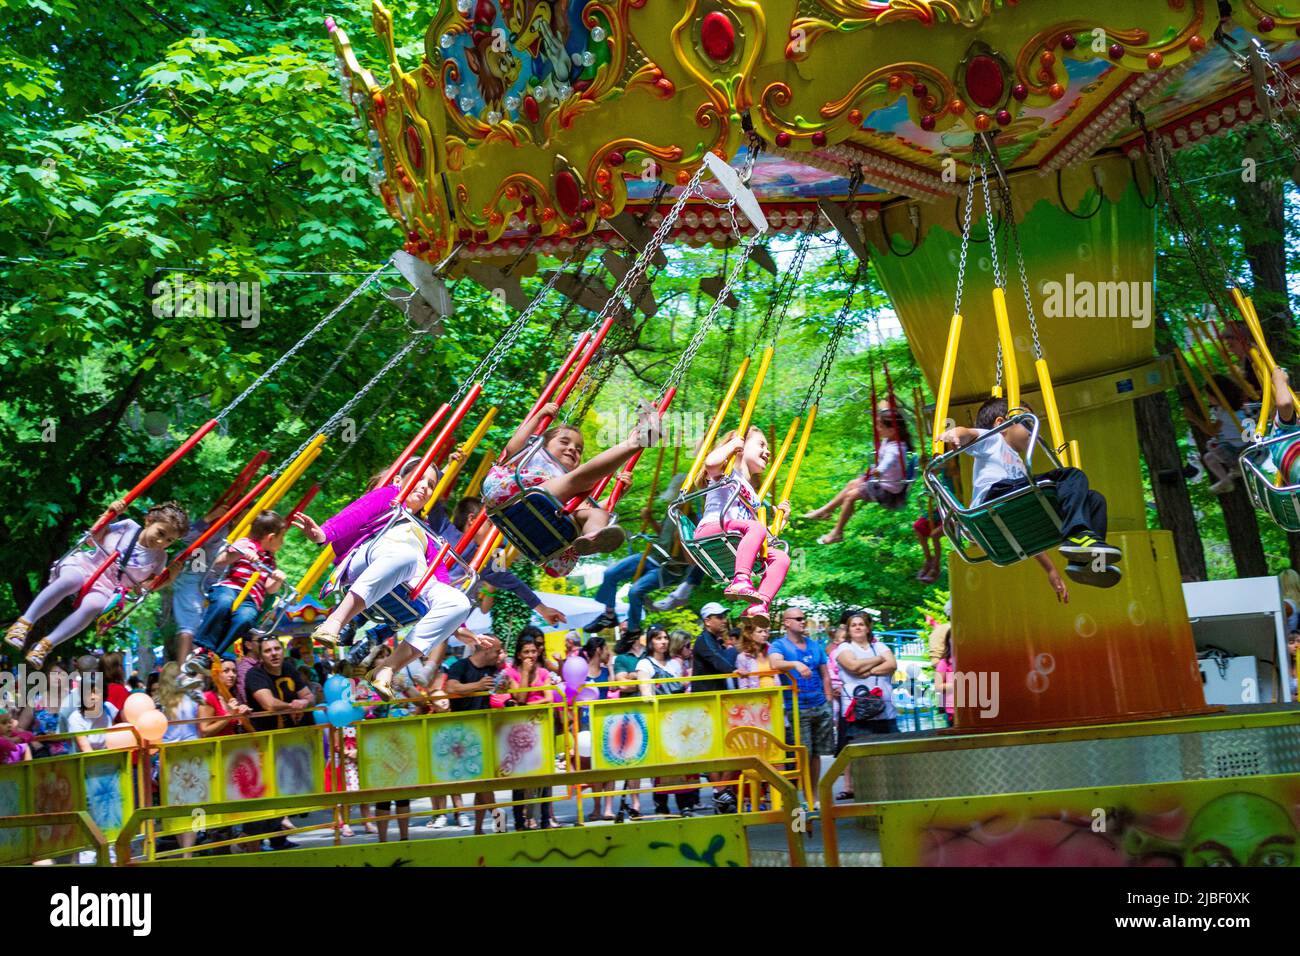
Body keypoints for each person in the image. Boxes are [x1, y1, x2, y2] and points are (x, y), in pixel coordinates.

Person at [292, 460, 486, 697]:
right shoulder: (389, 499)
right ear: (398, 480)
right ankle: (336, 621)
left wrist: (458, 625)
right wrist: (324, 533)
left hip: (407, 578)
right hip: (369, 559)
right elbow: (356, 513)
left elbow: (440, 577)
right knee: (404, 554)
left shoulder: (425, 531)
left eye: (431, 484)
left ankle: (388, 668)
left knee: (459, 602)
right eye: (419, 479)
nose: (425, 486)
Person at [482, 401, 661, 576]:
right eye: (564, 442)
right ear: (543, 443)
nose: (572, 449)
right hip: (513, 494)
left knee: (598, 513)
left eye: (578, 449)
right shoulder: (536, 455)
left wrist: (619, 494)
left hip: (550, 527)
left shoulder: (571, 482)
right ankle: (638, 440)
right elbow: (513, 447)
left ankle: (593, 538)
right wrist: (539, 415)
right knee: (580, 481)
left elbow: (586, 509)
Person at [6, 501, 189, 668]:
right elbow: (93, 537)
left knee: (94, 605)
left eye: (169, 541)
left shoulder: (159, 557)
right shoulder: (128, 527)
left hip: (107, 587)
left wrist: (168, 578)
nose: (161, 542)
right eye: (161, 533)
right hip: (88, 565)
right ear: (149, 521)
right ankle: (24, 623)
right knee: (71, 580)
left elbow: (144, 588)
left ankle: (46, 645)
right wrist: (109, 514)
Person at [938, 398, 1086, 596]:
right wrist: (955, 432)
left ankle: (1082, 540)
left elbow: (1024, 533)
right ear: (1002, 424)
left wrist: (1050, 569)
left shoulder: (1021, 466)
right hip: (991, 499)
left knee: (1065, 487)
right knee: (1063, 478)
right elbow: (969, 434)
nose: (1033, 431)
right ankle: (1077, 532)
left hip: (1007, 504)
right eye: (1026, 423)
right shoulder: (993, 439)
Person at [694, 428, 791, 625]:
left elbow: (762, 538)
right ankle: (740, 580)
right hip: (712, 529)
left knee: (781, 558)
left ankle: (758, 605)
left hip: (735, 535)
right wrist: (732, 445)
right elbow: (710, 462)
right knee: (755, 527)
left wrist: (781, 522)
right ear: (741, 448)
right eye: (761, 444)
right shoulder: (726, 470)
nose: (768, 451)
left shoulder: (754, 496)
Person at [805, 407, 914, 543]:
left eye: (880, 426)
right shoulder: (890, 440)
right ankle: (825, 511)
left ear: (892, 430)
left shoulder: (896, 449)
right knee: (851, 484)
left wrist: (878, 470)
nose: (877, 428)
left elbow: (887, 462)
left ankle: (837, 532)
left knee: (850, 497)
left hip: (888, 491)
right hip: (882, 482)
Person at [192, 510, 288, 657]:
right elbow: (220, 560)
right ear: (271, 537)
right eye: (281, 538)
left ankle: (214, 653)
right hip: (230, 587)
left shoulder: (271, 561)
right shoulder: (245, 543)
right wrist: (241, 553)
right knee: (224, 602)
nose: (282, 542)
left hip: (250, 599)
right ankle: (204, 646)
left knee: (246, 618)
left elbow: (269, 589)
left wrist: (277, 579)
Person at [768, 606, 834, 787]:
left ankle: (813, 795)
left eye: (803, 618)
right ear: (787, 623)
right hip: (797, 706)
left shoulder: (814, 644)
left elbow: (825, 673)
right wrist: (795, 663)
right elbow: (774, 663)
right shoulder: (779, 645)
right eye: (797, 618)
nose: (802, 621)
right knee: (803, 753)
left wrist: (828, 700)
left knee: (817, 754)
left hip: (820, 704)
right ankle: (804, 798)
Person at [445, 636, 504, 834]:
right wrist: (477, 686)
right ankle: (499, 824)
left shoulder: (493, 670)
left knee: (484, 784)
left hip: (484, 734)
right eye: (497, 651)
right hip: (463, 736)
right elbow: (451, 688)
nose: (499, 655)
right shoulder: (460, 666)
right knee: (483, 784)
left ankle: (481, 829)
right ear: (486, 650)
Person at [171, 503, 228, 663]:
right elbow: (187, 539)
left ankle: (197, 677)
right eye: (241, 514)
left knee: (203, 630)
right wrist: (209, 518)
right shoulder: (219, 526)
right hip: (195, 573)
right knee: (189, 625)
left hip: (214, 585)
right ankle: (183, 675)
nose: (241, 519)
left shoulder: (244, 536)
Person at [1199, 375, 1250, 494]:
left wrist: (1194, 418)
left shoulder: (1225, 413)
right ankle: (1226, 481)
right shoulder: (1237, 406)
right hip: (1246, 444)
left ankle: (1236, 467)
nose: (1208, 398)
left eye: (1209, 395)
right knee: (1209, 458)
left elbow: (1211, 431)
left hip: (1241, 450)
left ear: (1218, 395)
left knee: (1211, 445)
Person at [690, 603, 736, 694]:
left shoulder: (715, 641)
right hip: (706, 699)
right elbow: (715, 657)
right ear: (707, 621)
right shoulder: (703, 640)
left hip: (714, 696)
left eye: (724, 617)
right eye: (719, 617)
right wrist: (734, 670)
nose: (724, 621)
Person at [198, 659, 251, 736]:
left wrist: (244, 715)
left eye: (234, 671)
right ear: (216, 674)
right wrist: (229, 714)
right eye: (226, 671)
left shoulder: (231, 697)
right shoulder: (208, 697)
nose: (232, 675)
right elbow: (204, 732)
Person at [65, 681, 118, 752]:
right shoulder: (76, 718)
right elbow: (85, 749)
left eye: (96, 692)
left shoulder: (109, 708)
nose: (92, 696)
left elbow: (117, 733)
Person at [734, 619, 775, 689]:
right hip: (758, 697)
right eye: (760, 631)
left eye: (766, 631)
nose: (764, 634)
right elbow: (743, 686)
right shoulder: (743, 657)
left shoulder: (773, 651)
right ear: (750, 634)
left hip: (777, 695)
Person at [611, 631, 645, 699]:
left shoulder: (651, 655)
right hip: (632, 704)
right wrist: (647, 683)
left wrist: (635, 676)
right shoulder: (622, 658)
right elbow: (623, 686)